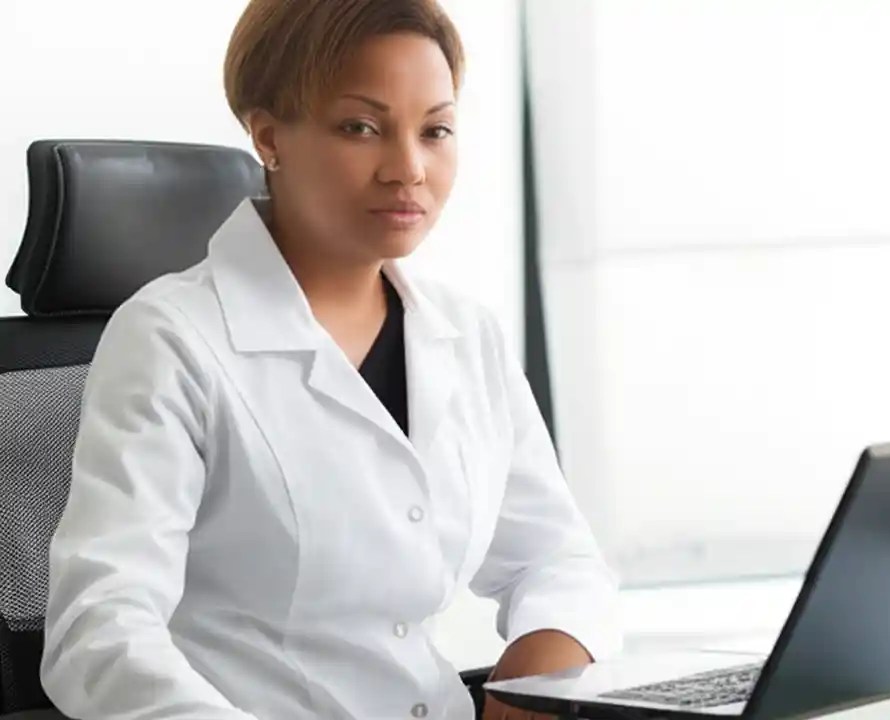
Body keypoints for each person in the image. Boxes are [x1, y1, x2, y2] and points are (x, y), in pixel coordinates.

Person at [39, 1, 621, 718]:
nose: (408, 168)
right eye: (361, 128)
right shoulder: (171, 340)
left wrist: (539, 670)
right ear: (268, 135)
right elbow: (98, 634)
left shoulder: (467, 336)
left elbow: (556, 559)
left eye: (435, 130)